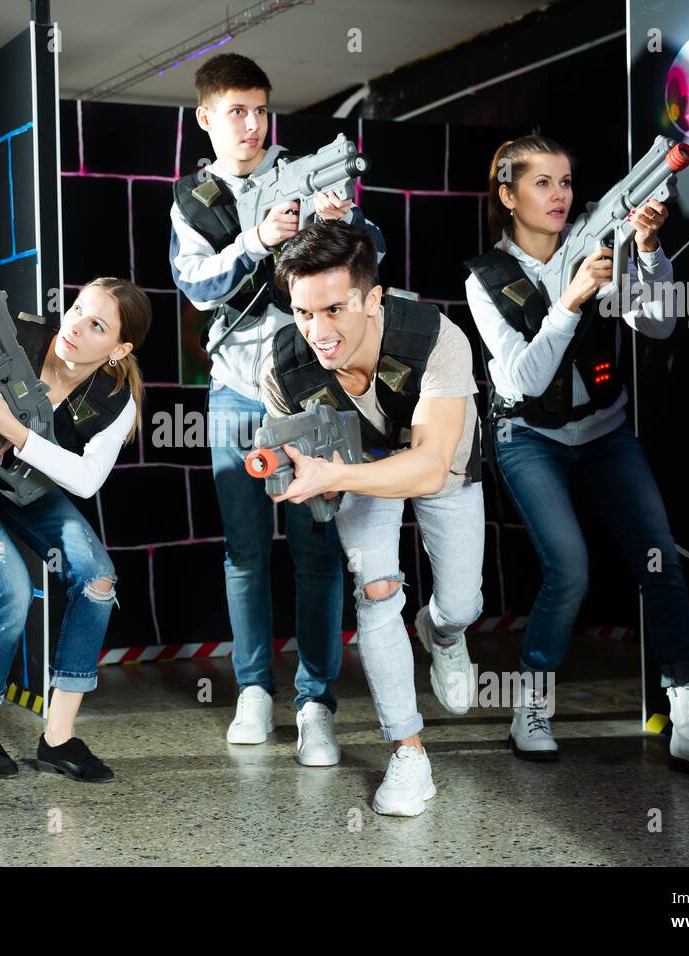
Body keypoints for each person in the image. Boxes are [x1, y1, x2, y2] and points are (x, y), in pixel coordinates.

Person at [463, 135, 689, 783]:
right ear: (507, 196)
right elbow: (523, 381)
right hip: (527, 435)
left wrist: (646, 252)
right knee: (569, 570)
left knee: (661, 561)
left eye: (566, 181)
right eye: (542, 183)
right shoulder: (487, 279)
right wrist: (570, 300)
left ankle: (687, 726)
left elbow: (661, 323)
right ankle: (529, 708)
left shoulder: (596, 242)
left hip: (604, 429)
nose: (559, 194)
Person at [169, 53, 386, 765]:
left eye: (261, 109)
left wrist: (337, 225)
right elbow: (196, 287)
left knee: (319, 549)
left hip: (312, 390)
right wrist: (256, 239)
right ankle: (254, 690)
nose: (254, 124)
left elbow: (369, 264)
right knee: (245, 551)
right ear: (206, 117)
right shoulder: (193, 199)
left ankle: (316, 703)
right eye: (237, 111)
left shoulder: (307, 170)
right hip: (234, 389)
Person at [259, 219, 485, 816]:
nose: (318, 331)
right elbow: (288, 450)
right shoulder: (282, 366)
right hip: (356, 462)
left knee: (462, 602)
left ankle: (445, 634)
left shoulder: (438, 338)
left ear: (373, 298)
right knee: (376, 592)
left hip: (439, 455)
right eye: (303, 313)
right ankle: (409, 753)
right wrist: (292, 474)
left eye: (334, 309)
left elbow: (431, 467)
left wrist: (334, 477)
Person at [0, 277, 151, 784]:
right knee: (12, 587)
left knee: (97, 580)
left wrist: (17, 433)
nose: (76, 328)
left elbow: (85, 480)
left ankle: (58, 739)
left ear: (119, 348)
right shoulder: (17, 336)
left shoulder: (114, 398)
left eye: (97, 325)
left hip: (24, 484)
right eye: (79, 310)